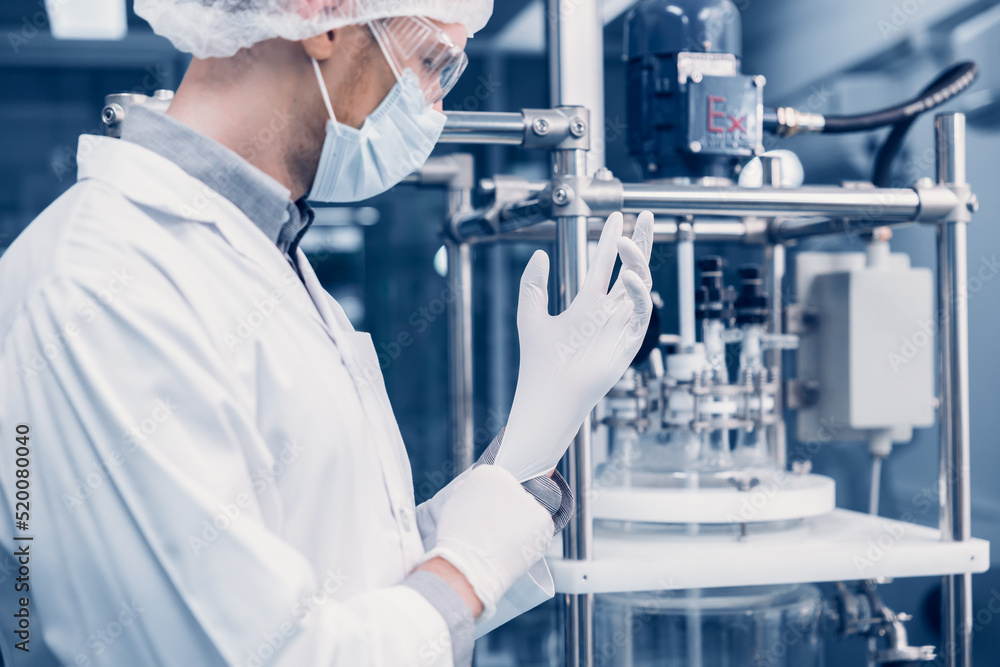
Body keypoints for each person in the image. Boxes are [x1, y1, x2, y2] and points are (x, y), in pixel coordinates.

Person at [0, 0, 654, 664]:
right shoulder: (104, 286)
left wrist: (531, 440)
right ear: (324, 19)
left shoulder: (269, 254)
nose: (434, 109)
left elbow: (357, 578)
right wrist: (469, 570)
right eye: (431, 61)